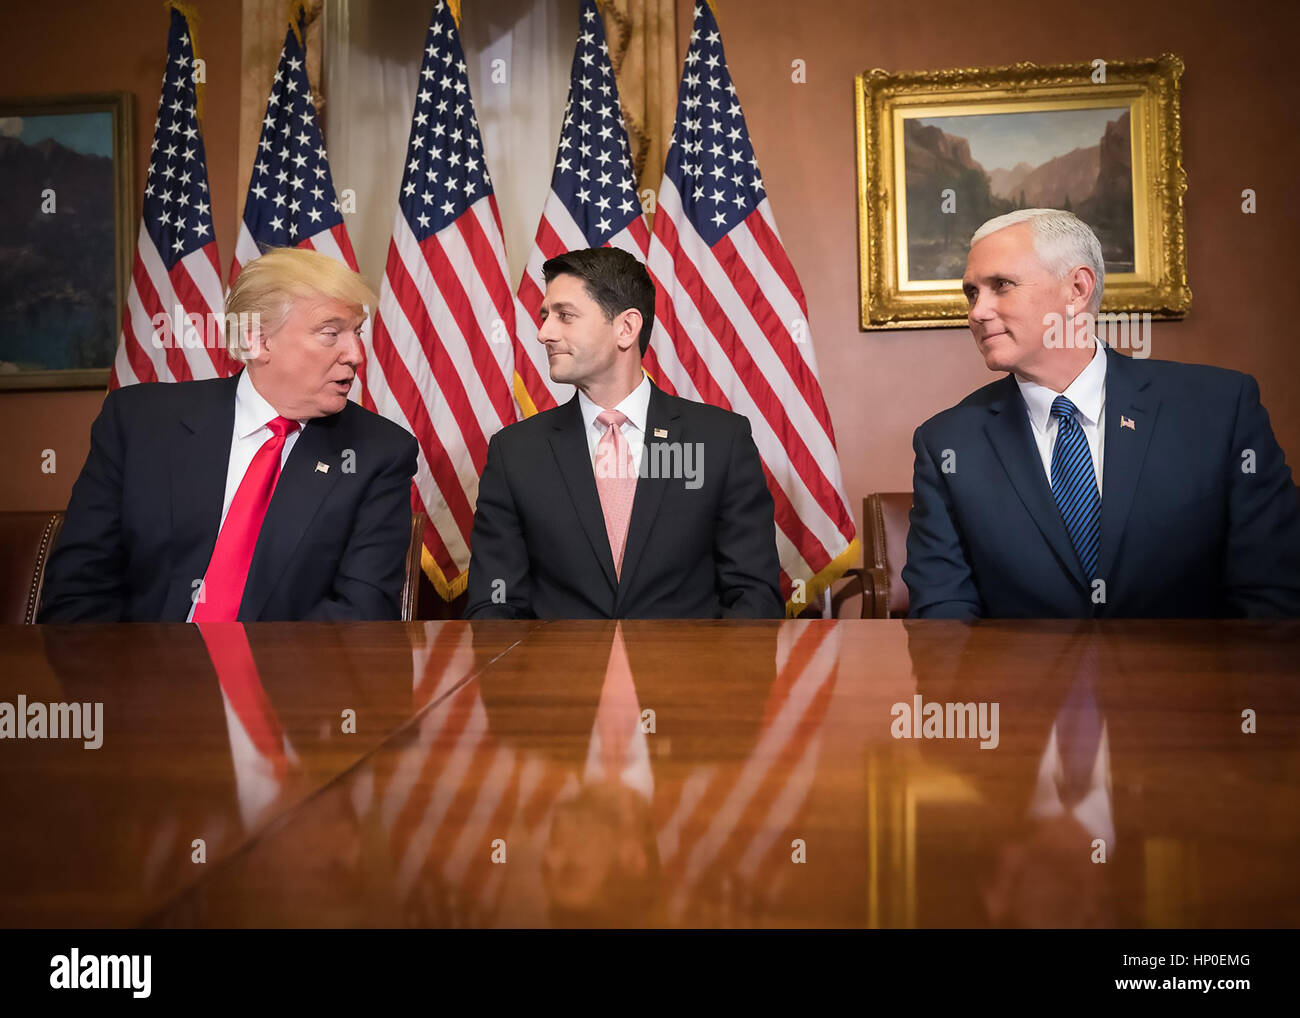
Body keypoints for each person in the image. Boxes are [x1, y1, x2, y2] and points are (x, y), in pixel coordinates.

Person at [903, 208, 1300, 618]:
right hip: (1018, 682)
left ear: (1077, 288)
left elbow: (1273, 599)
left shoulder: (1220, 409)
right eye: (972, 293)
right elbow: (943, 619)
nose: (977, 312)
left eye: (1001, 285)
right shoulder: (947, 443)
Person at [38, 247, 418, 622]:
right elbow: (78, 589)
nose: (355, 354)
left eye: (357, 332)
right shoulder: (139, 423)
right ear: (258, 340)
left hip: (281, 680)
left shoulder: (378, 453)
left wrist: (241, 680)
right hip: (134, 671)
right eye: (331, 333)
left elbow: (360, 613)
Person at [465, 247, 782, 619]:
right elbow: (495, 602)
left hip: (690, 674)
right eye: (545, 316)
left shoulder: (718, 441)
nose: (543, 333)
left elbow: (753, 593)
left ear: (626, 328)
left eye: (564, 316)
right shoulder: (515, 453)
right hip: (558, 674)